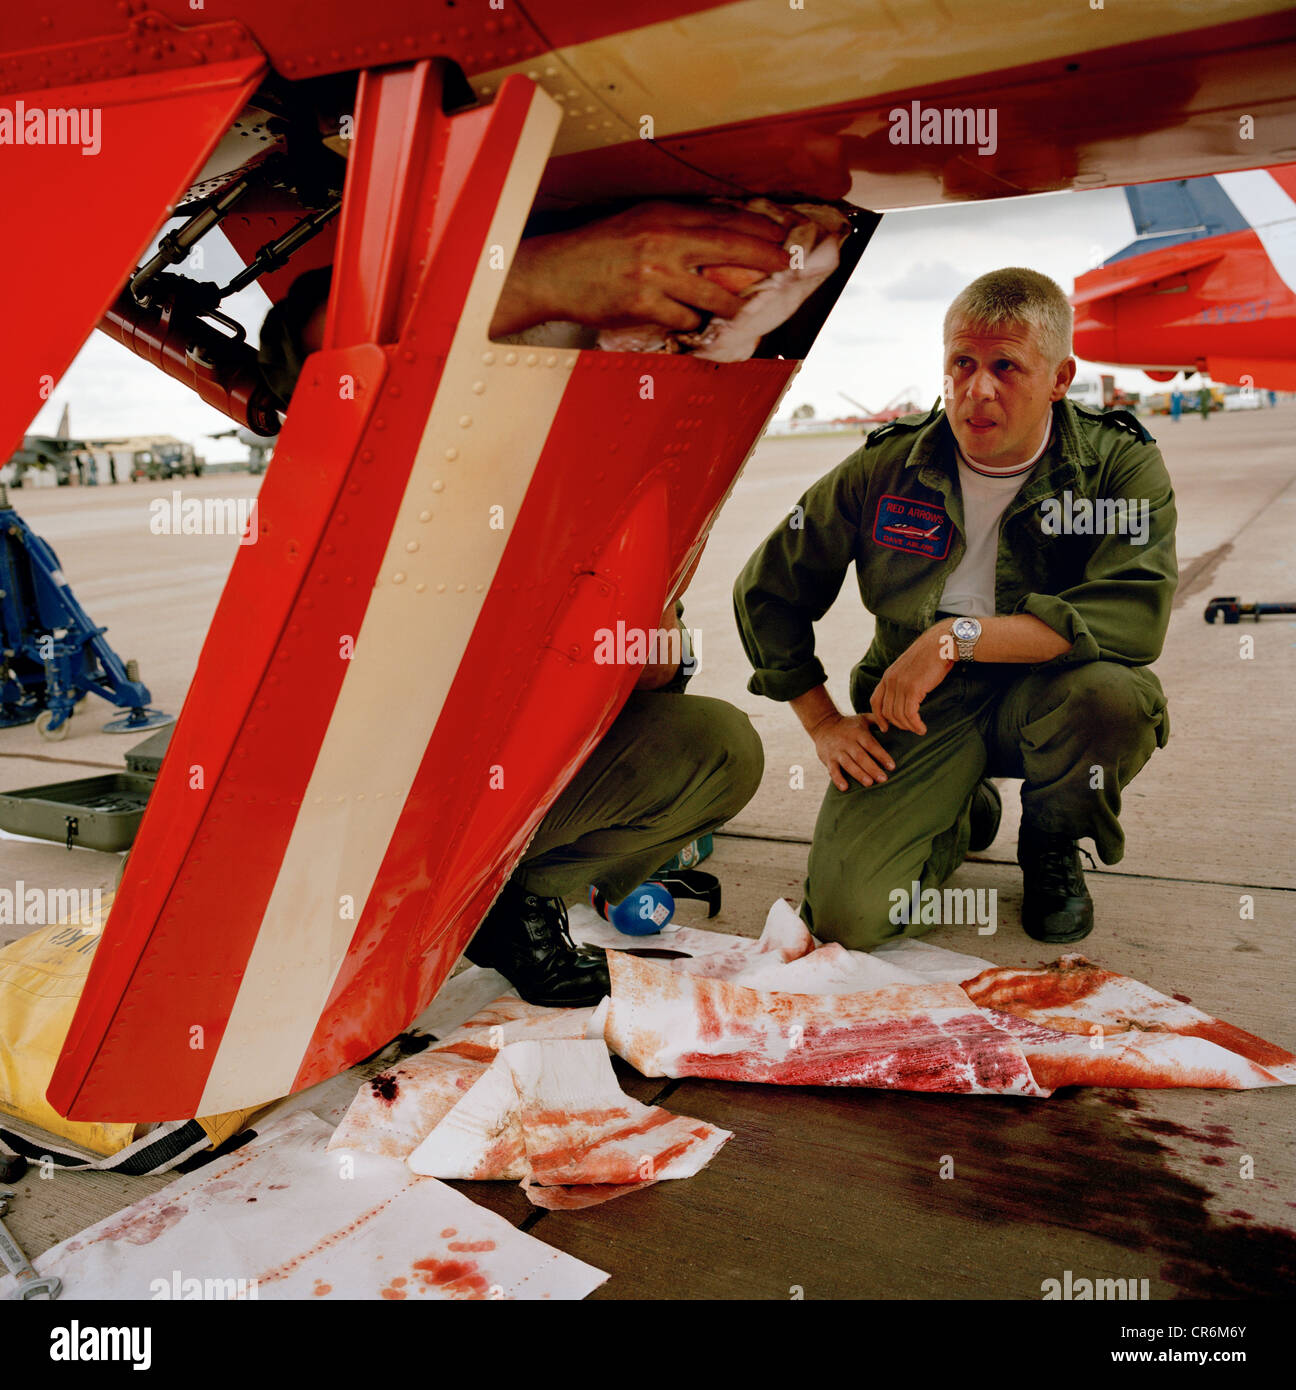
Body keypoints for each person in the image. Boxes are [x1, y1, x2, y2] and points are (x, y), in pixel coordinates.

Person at [258, 201, 780, 1004]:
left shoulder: (560, 469)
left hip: (506, 761)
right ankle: (407, 907)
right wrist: (557, 275)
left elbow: (637, 673)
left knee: (717, 746)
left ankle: (515, 898)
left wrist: (650, 645)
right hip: (376, 788)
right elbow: (320, 343)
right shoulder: (371, 484)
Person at [734, 267, 1176, 950]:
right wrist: (822, 722)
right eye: (961, 363)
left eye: (1007, 366)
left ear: (1060, 378)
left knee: (1113, 699)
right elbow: (768, 588)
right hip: (916, 709)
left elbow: (1132, 617)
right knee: (849, 923)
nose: (978, 389)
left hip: (1045, 692)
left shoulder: (1115, 467)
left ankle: (1051, 846)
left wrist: (954, 637)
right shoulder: (886, 466)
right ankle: (961, 809)